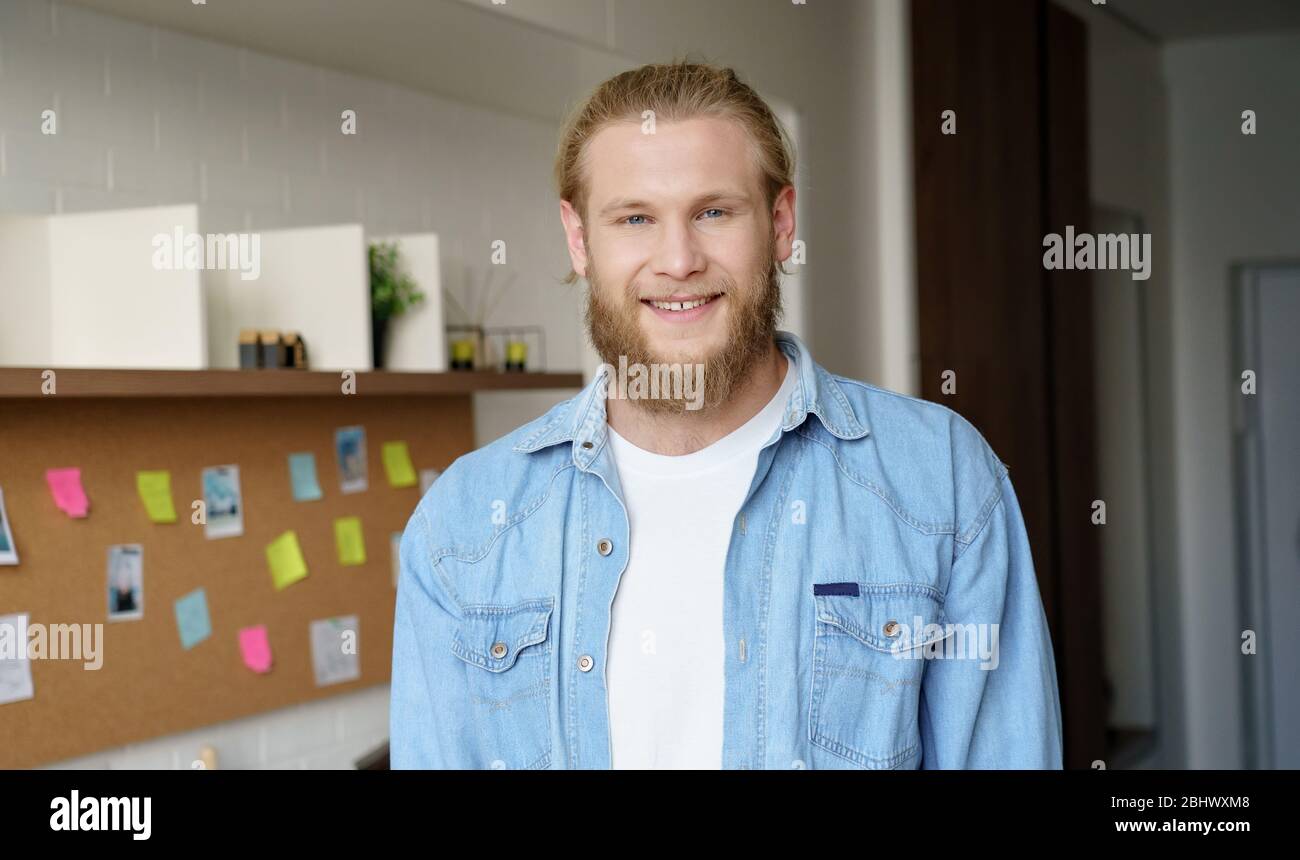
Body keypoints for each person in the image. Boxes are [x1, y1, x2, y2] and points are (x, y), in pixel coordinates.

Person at [391, 60, 1062, 769]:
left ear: (779, 224)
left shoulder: (943, 479)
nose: (678, 260)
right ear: (580, 238)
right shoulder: (462, 525)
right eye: (635, 218)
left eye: (714, 212)